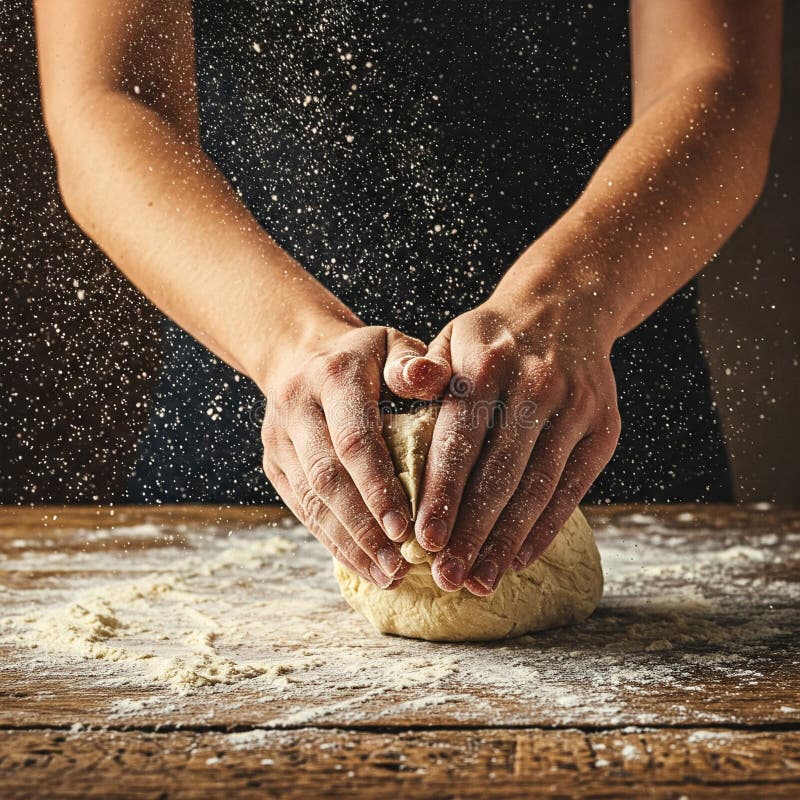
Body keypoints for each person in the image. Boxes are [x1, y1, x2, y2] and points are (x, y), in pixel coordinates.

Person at [35, 1, 781, 596]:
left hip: (589, 412)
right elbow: (108, 99)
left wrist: (570, 302)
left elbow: (717, 79)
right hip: (259, 414)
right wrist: (290, 343)